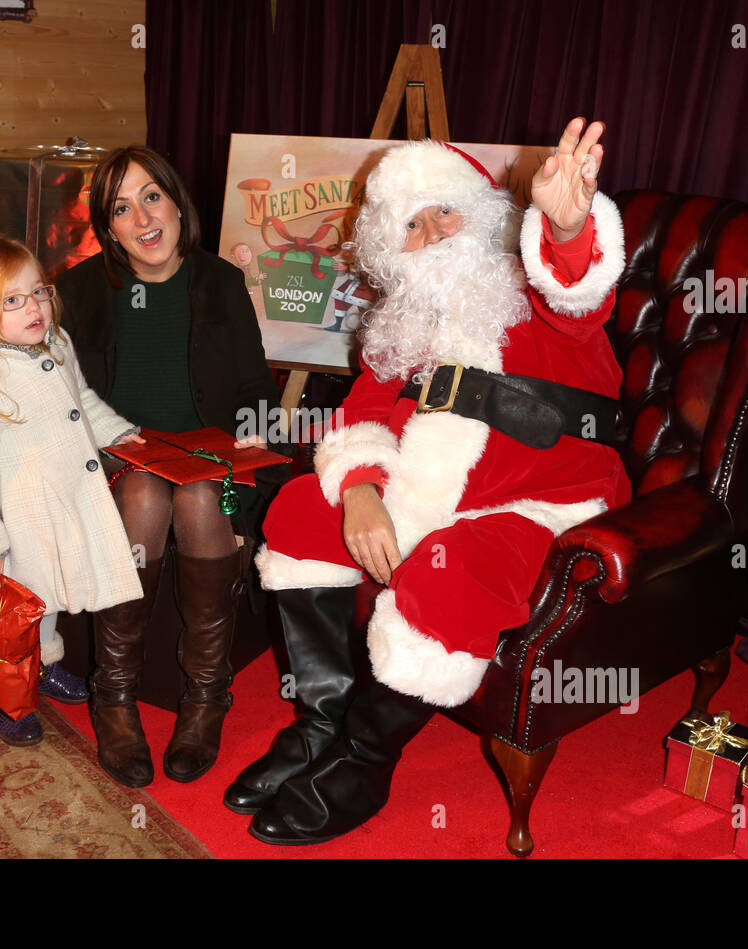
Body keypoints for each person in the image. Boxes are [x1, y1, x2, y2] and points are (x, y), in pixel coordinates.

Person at [226, 118, 633, 844]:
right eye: (412, 223)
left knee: (449, 576)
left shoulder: (531, 291)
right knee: (296, 512)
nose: (435, 231)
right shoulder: (403, 321)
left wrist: (568, 229)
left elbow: (579, 294)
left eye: (445, 208)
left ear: (480, 213)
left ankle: (364, 757)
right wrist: (357, 490)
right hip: (428, 496)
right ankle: (322, 725)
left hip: (543, 505)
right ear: (395, 248)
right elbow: (363, 407)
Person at [55, 145, 290, 788]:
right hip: (116, 457)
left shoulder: (219, 282)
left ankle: (206, 695)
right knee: (146, 497)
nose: (143, 219)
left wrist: (245, 454)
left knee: (197, 498)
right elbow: (64, 399)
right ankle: (115, 694)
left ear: (176, 201)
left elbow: (252, 391)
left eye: (151, 197)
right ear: (107, 227)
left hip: (211, 459)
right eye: (122, 209)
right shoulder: (78, 291)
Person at [0, 236, 146, 747]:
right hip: (18, 521)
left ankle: (45, 668)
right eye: (12, 300)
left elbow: (83, 402)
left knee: (47, 603)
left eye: (39, 292)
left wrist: (119, 432)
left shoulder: (58, 344)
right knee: (16, 618)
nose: (34, 307)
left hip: (68, 501)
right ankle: (6, 696)